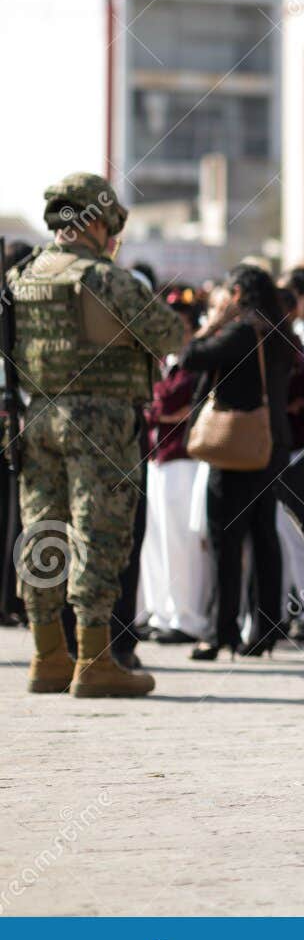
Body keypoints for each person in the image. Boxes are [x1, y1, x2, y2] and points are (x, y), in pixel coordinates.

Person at [15, 173, 185, 697]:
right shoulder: (105, 278)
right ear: (94, 220)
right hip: (101, 422)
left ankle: (47, 656)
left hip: (37, 415)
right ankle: (95, 661)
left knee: (43, 532)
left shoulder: (23, 276)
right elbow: (172, 333)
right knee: (99, 534)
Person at [180, 265, 294, 660]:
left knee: (225, 541)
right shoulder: (279, 331)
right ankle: (265, 630)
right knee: (264, 538)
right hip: (271, 447)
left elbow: (190, 357)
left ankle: (219, 631)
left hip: (236, 450)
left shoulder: (243, 330)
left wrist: (212, 323)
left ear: (238, 293)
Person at [140, 295, 214, 645]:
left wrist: (158, 410)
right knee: (156, 540)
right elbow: (153, 405)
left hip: (183, 459)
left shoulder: (194, 363)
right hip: (158, 458)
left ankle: (188, 616)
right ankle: (163, 611)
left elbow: (173, 405)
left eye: (182, 325)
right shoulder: (164, 362)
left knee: (182, 541)